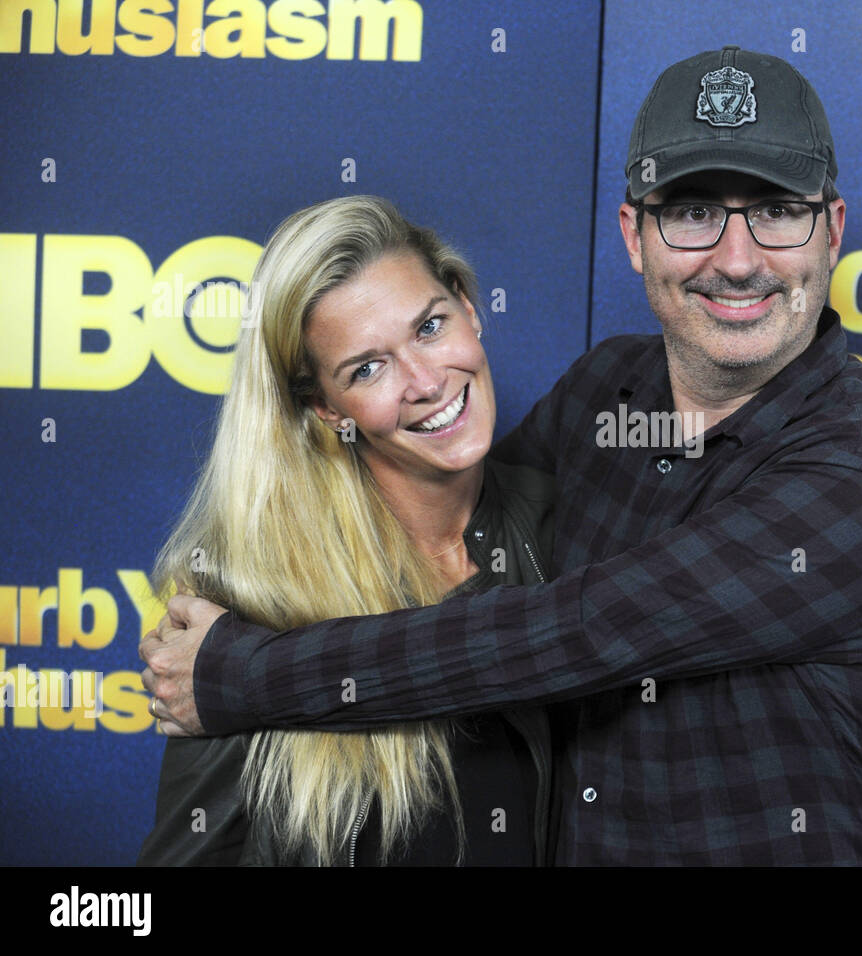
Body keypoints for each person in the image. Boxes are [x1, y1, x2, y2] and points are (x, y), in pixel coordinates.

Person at [142, 46, 862, 865]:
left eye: (778, 211)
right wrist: (276, 564)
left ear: (833, 232)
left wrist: (245, 677)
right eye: (693, 213)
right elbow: (443, 515)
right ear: (636, 236)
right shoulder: (605, 394)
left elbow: (581, 631)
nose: (737, 259)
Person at [137, 195, 555, 866]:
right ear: (327, 409)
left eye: (429, 326)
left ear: (468, 306)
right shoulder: (257, 597)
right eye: (368, 367)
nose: (425, 382)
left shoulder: (565, 529)